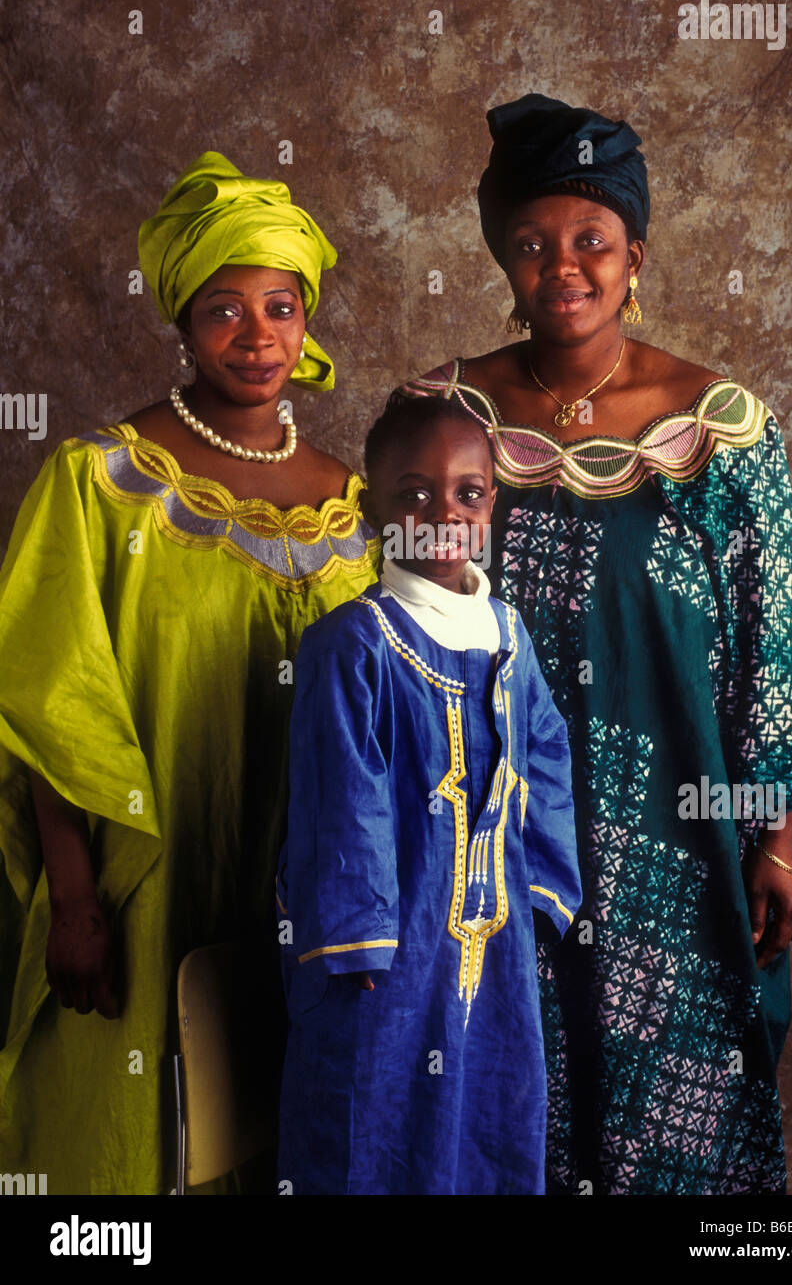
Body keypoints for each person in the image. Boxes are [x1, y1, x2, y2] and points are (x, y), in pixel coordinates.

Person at [395, 94, 792, 1195]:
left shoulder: (720, 429)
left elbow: (767, 657)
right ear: (503, 257)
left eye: (590, 241)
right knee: (508, 1081)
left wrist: (770, 838)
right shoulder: (445, 415)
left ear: (633, 255)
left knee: (673, 1101)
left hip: (674, 832)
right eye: (533, 243)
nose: (563, 266)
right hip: (488, 823)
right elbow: (398, 616)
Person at [0, 152, 379, 1194]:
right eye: (223, 309)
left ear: (307, 323)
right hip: (144, 884)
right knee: (137, 1142)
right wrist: (75, 895)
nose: (256, 337)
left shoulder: (357, 506)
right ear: (179, 321)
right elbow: (45, 701)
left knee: (266, 1127)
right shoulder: (100, 483)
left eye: (279, 307)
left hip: (297, 885)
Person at [276, 396, 582, 1194]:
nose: (441, 513)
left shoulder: (510, 637)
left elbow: (546, 754)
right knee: (377, 1116)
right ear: (375, 506)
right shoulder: (355, 642)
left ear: (493, 506)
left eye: (468, 493)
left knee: (490, 1113)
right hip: (388, 956)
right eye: (413, 492)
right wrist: (357, 938)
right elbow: (343, 793)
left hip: (494, 942)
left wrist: (545, 891)